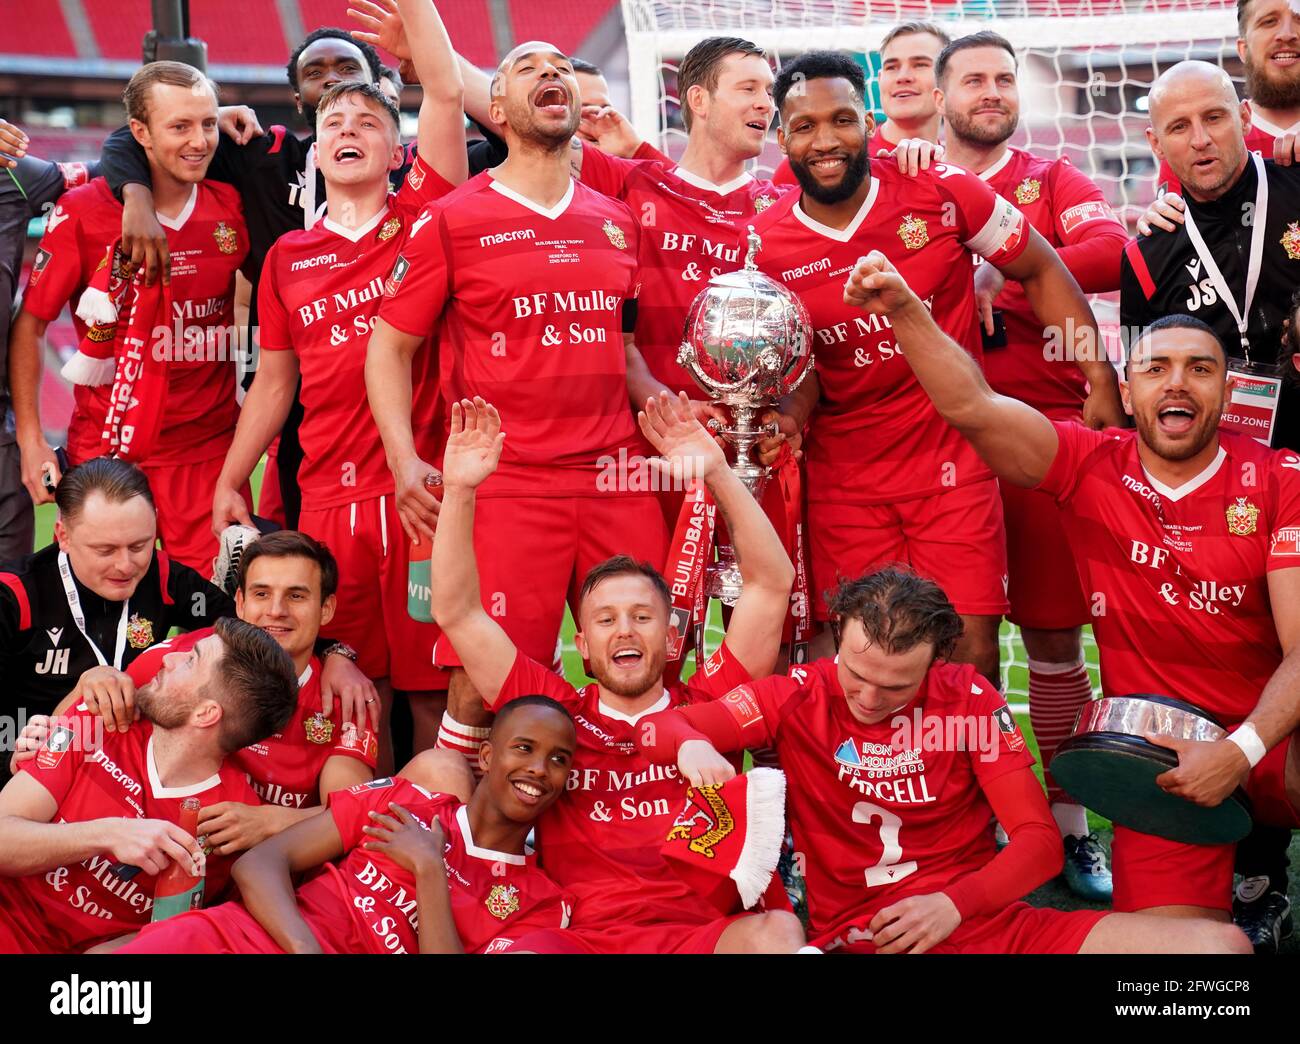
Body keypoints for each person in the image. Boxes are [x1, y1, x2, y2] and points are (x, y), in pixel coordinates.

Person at [841, 245, 1300, 925]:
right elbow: (973, 405)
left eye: (1200, 370)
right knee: (1193, 964)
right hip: (1158, 760)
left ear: (1227, 391)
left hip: (1271, 739)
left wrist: (1240, 752)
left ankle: (1259, 872)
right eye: (1156, 368)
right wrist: (906, 310)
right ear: (1128, 385)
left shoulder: (1279, 479)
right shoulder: (1090, 464)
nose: (1177, 384)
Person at [635, 567, 1250, 954]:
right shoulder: (798, 691)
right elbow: (658, 727)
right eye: (856, 674)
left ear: (938, 662)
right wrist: (690, 741)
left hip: (981, 921)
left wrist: (957, 903)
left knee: (1219, 954)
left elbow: (1038, 843)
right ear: (841, 633)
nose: (870, 698)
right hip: (866, 938)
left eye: (896, 686)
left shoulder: (969, 700)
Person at [754, 50, 1123, 684]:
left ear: (870, 124)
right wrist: (788, 413)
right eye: (806, 126)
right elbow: (803, 368)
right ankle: (880, 781)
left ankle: (968, 780)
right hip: (850, 476)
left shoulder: (943, 190)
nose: (826, 140)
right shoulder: (762, 244)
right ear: (781, 137)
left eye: (842, 120)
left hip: (955, 458)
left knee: (970, 649)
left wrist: (1099, 379)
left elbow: (1039, 267)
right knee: (867, 654)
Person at [367, 41, 672, 773]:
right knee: (479, 685)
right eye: (528, 67)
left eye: (561, 67)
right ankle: (468, 852)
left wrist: (675, 414)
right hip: (508, 484)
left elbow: (624, 353)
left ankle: (630, 837)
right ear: (496, 108)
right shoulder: (452, 218)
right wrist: (404, 457)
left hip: (615, 480)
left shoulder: (614, 219)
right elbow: (388, 347)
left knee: (645, 666)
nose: (551, 74)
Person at [430, 393, 805, 953]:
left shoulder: (711, 700)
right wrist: (459, 491)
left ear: (673, 636)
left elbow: (770, 584)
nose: (624, 631)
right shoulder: (553, 713)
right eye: (606, 619)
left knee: (779, 932)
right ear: (582, 643)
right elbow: (458, 612)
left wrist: (718, 474)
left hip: (703, 938)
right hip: (584, 941)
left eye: (642, 617)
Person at [210, 0, 468, 768]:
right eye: (332, 127)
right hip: (330, 500)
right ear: (315, 155)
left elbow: (448, 96)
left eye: (367, 122)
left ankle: (428, 841)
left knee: (432, 693)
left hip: (422, 496)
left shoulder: (430, 215)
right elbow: (275, 381)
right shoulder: (288, 255)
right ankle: (357, 863)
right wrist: (234, 474)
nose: (347, 131)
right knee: (352, 692)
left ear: (399, 153)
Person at [934, 30, 1129, 899]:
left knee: (1052, 638)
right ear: (939, 95)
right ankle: (963, 818)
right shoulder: (913, 184)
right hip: (932, 448)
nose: (991, 92)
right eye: (972, 78)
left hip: (1045, 438)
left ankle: (1073, 826)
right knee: (950, 643)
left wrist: (1001, 263)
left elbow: (1109, 254)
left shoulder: (1050, 178)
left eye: (1004, 80)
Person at [10, 61, 252, 571]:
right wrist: (33, 442)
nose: (199, 141)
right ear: (138, 132)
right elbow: (30, 326)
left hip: (206, 453)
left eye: (207, 124)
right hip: (107, 448)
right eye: (180, 126)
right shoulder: (82, 211)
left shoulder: (233, 205)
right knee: (101, 614)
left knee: (215, 614)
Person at [13, 530, 386, 856]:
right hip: (145, 854)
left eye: (296, 596)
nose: (276, 610)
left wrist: (274, 821)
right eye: (261, 593)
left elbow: (351, 814)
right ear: (239, 602)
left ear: (326, 608)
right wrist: (81, 694)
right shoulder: (182, 660)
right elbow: (75, 727)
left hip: (260, 875)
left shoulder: (344, 698)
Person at [110, 698, 569, 954]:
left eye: (558, 760)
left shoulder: (540, 904)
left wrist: (430, 870)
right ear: (487, 756)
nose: (537, 769)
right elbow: (261, 863)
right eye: (523, 748)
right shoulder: (406, 799)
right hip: (246, 937)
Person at [0, 616, 298, 954]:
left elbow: (178, 930)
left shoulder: (231, 825)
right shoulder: (99, 719)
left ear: (206, 714)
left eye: (190, 660)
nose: (168, 658)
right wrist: (109, 834)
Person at [1123, 61, 1300, 453]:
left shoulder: (1297, 183)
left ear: (1244, 117)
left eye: (1214, 117)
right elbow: (1139, 372)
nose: (1200, 139)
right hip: (1222, 466)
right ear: (1156, 143)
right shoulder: (1146, 253)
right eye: (1179, 126)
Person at [1, 153, 96, 560]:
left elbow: (117, 161)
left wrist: (189, 115)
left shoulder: (11, 173)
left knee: (9, 601)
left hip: (1, 462)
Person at [772, 20, 950, 185]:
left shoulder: (953, 165)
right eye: (891, 67)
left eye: (920, 64)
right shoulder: (815, 161)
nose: (902, 77)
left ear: (946, 79)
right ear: (880, 79)